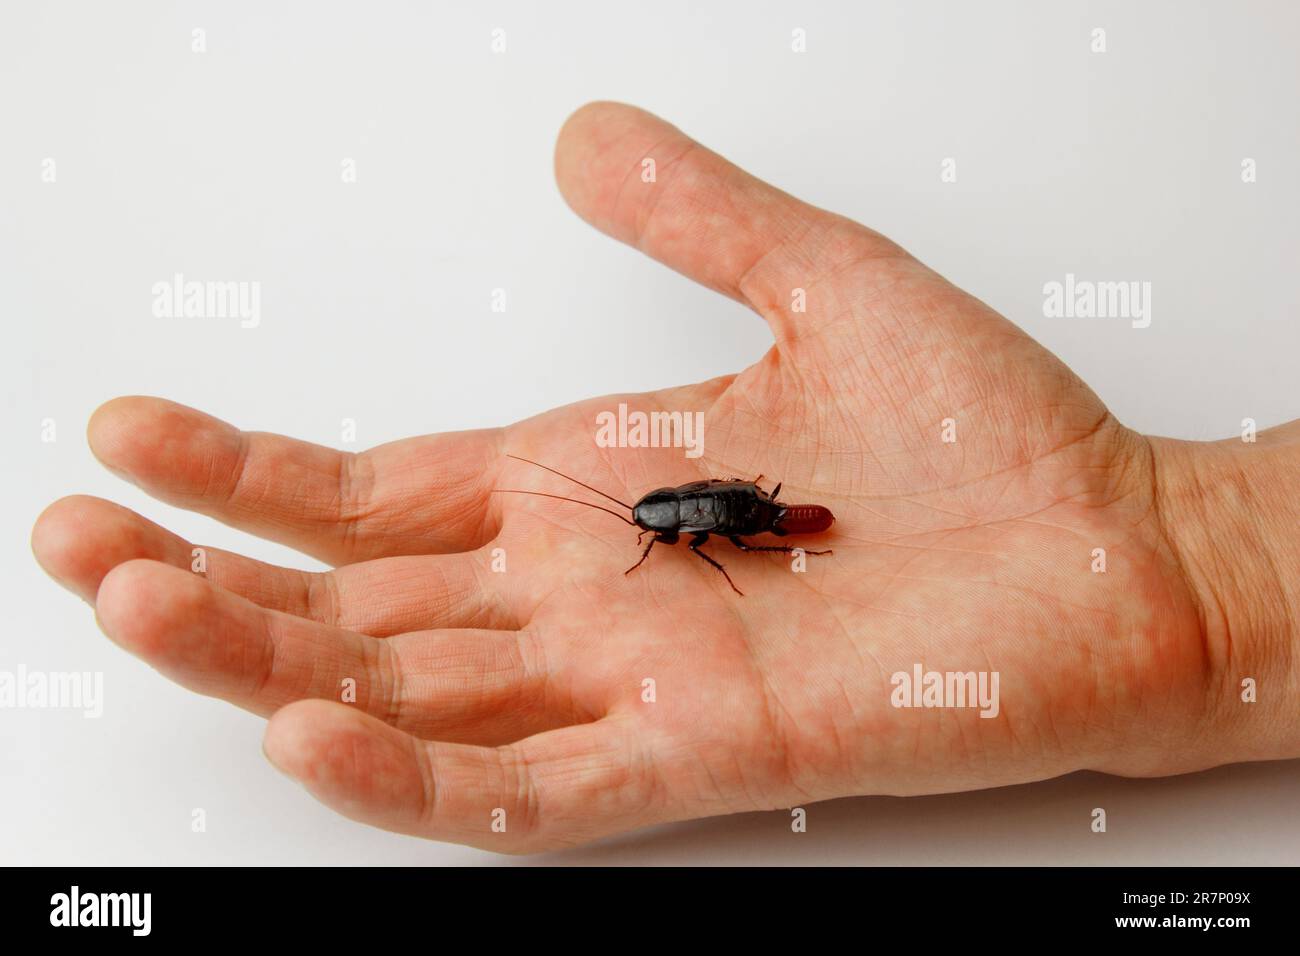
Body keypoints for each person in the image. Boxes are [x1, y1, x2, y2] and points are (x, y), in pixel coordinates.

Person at [30, 102, 1300, 853]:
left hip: (751, 509)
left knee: (763, 524)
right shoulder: (671, 522)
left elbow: (698, 523)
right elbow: (678, 521)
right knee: (752, 523)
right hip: (739, 508)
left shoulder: (697, 528)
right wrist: (1199, 561)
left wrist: (1205, 560)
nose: (657, 532)